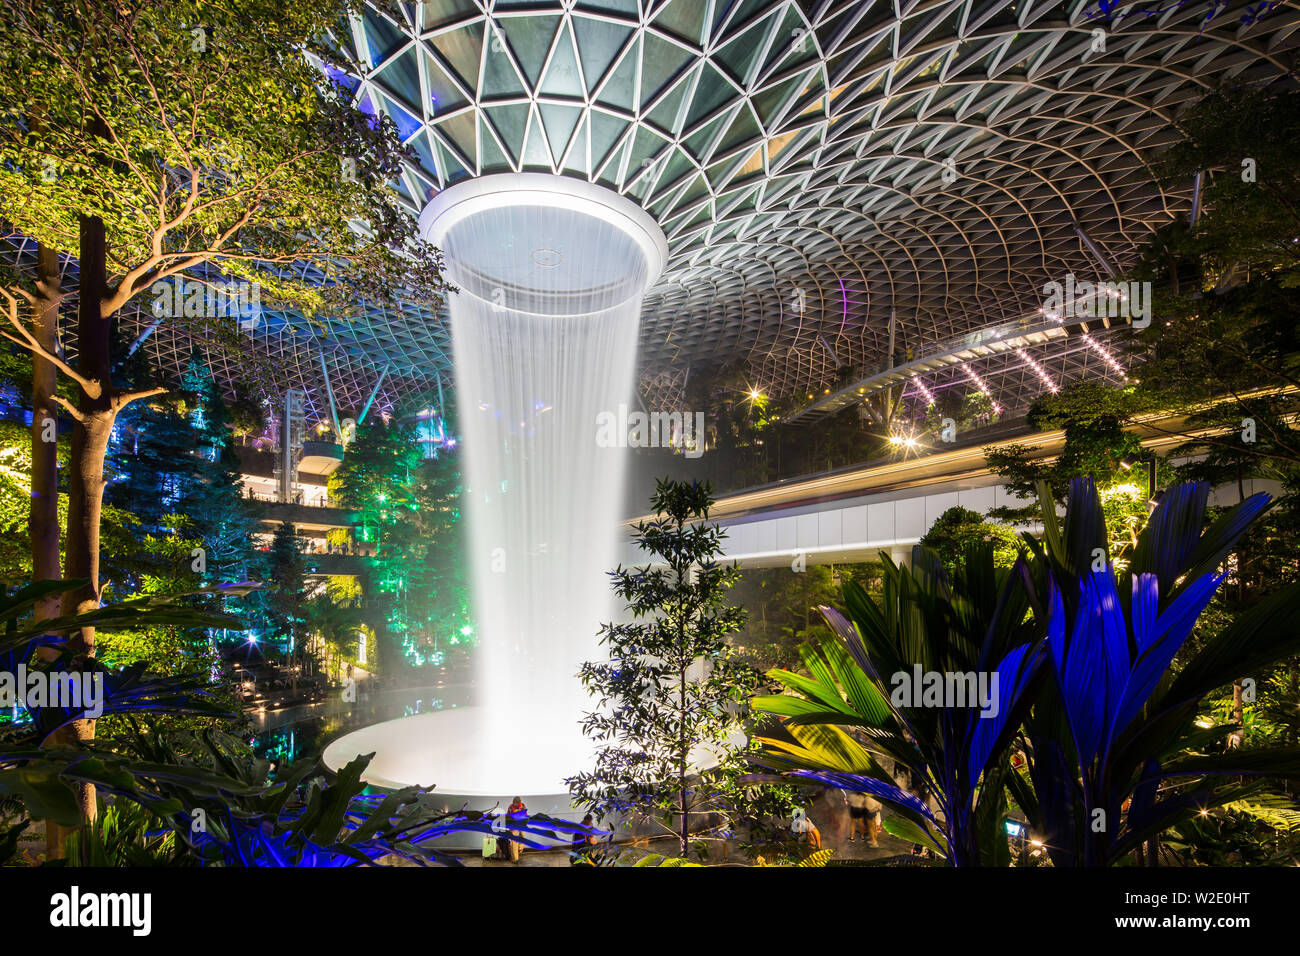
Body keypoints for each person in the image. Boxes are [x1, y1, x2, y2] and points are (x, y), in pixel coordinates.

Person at [504, 796, 526, 863]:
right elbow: (507, 816)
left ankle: (520, 847)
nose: (515, 804)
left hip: (521, 824)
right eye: (514, 803)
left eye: (517, 803)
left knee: (522, 837)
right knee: (514, 842)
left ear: (519, 802)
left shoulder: (522, 806)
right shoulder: (511, 807)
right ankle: (515, 859)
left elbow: (525, 816)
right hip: (513, 826)